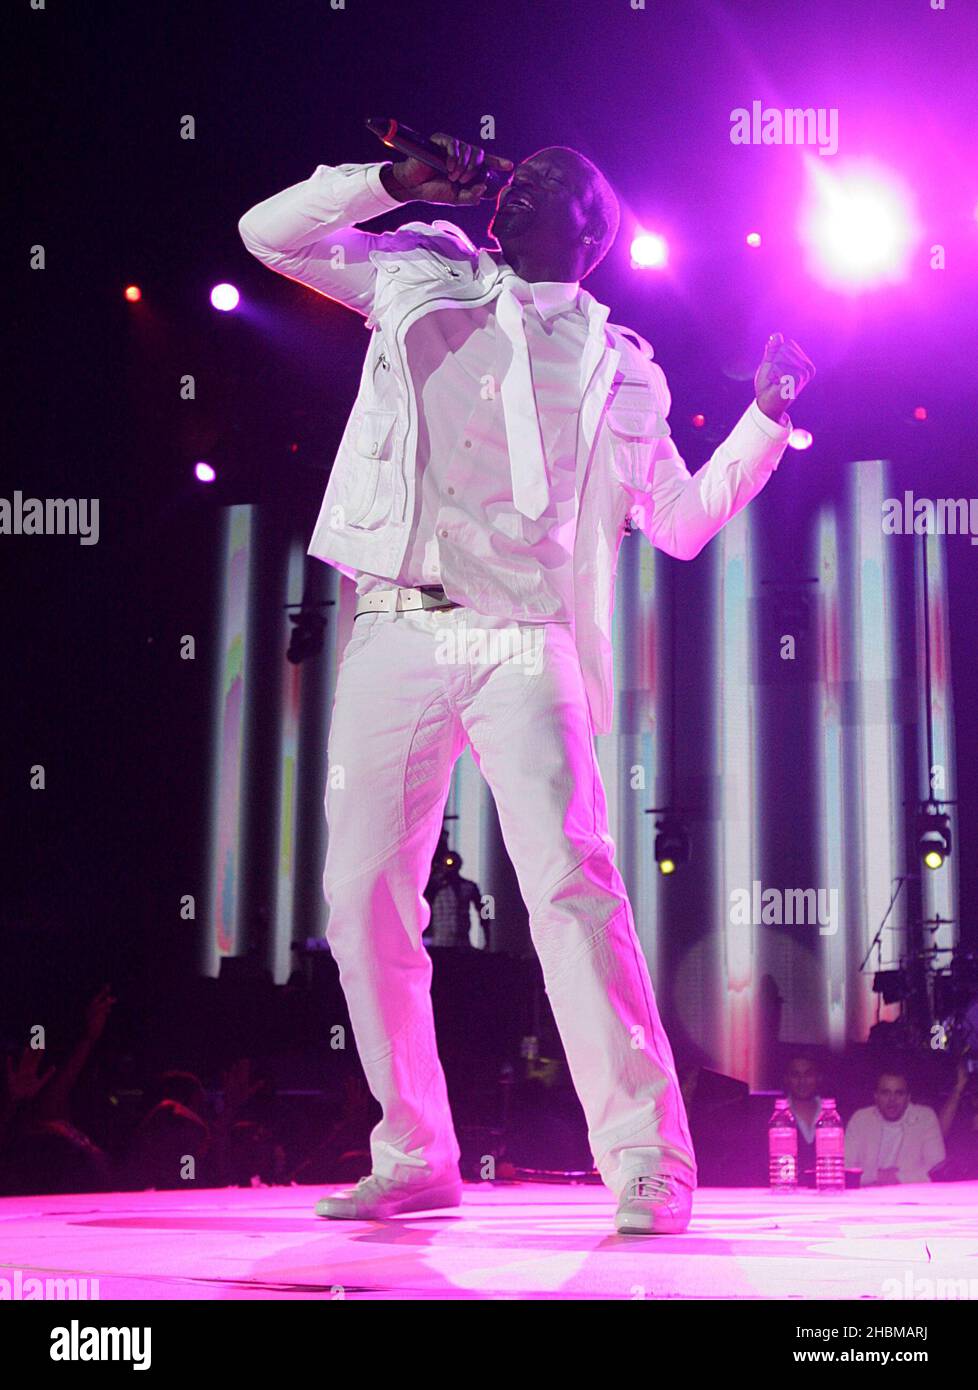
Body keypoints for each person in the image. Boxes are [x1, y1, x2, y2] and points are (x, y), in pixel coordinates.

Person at [239, 134, 814, 1235]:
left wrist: (768, 417)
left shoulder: (626, 366)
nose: (520, 184)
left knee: (570, 888)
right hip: (398, 625)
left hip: (525, 640)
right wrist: (396, 185)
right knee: (360, 903)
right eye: (518, 175)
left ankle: (647, 1155)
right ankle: (415, 1150)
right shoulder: (416, 271)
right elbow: (268, 235)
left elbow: (681, 526)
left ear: (593, 234)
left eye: (553, 183)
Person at [845, 1068, 946, 1186]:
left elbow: (937, 1170)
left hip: (911, 1198)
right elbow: (844, 1170)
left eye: (899, 1093)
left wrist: (898, 1178)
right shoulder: (860, 1119)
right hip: (864, 1198)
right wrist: (876, 1176)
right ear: (876, 1096)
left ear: (908, 1097)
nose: (892, 1099)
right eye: (885, 1093)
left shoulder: (925, 1118)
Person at [783, 1052, 823, 1182]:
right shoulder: (775, 1117)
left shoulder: (834, 1115)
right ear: (786, 1079)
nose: (802, 1081)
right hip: (786, 1195)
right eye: (795, 1075)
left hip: (829, 1194)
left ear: (818, 1078)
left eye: (808, 1075)